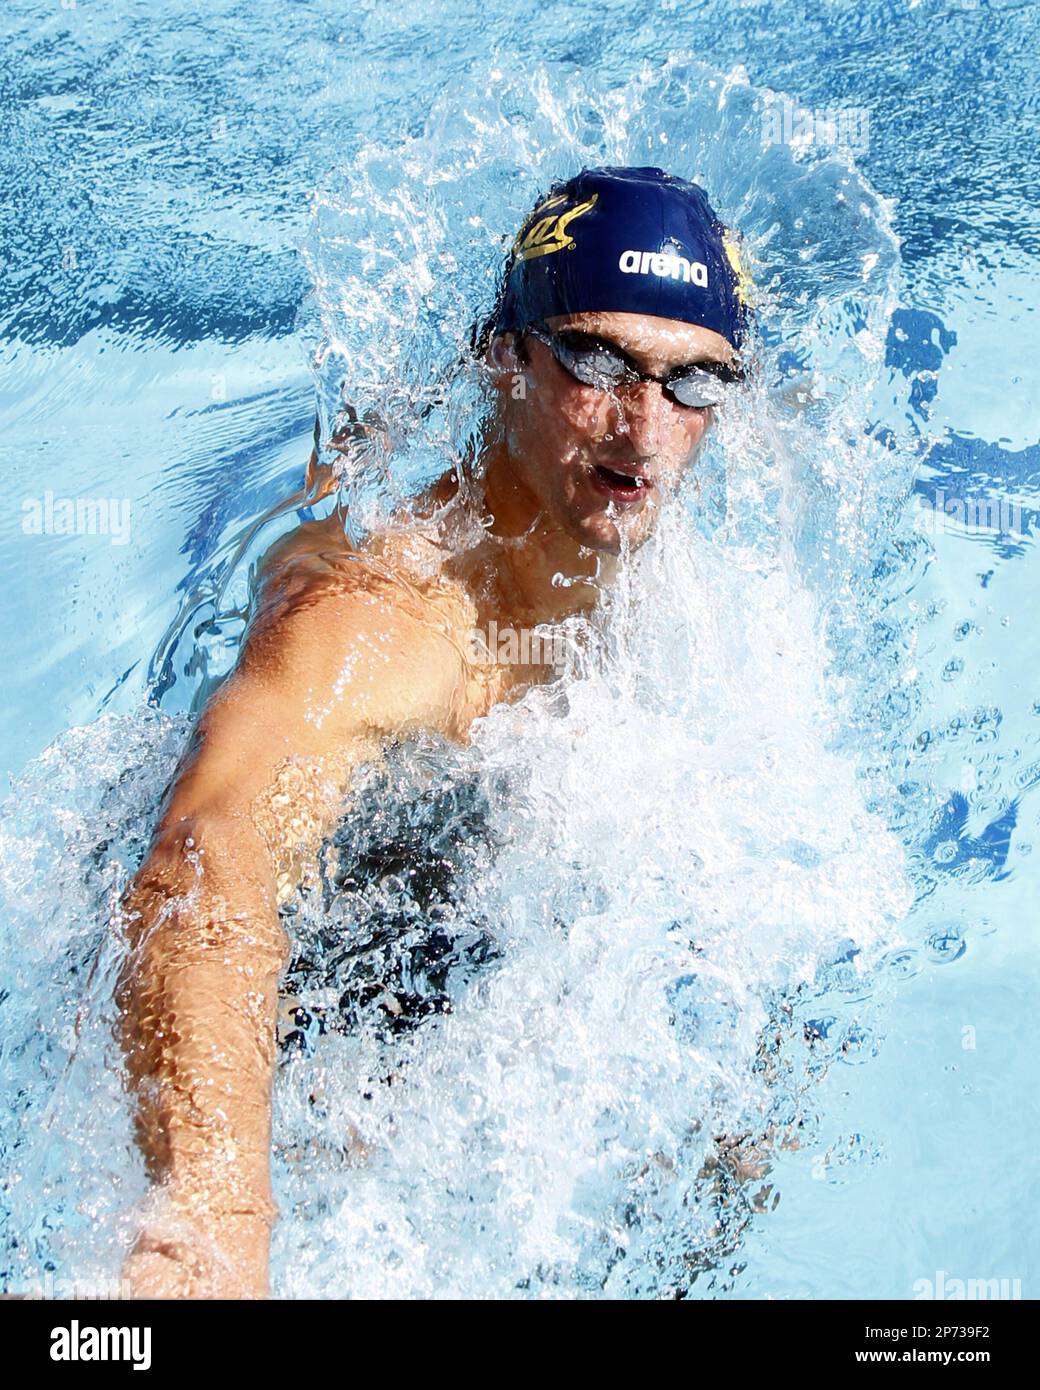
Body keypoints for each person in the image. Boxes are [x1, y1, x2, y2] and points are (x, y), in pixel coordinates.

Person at [115, 165, 753, 1298]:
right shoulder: (381, 618)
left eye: (693, 379)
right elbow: (206, 859)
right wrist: (214, 1218)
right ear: (501, 354)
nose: (643, 428)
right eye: (598, 361)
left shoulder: (686, 585)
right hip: (310, 998)